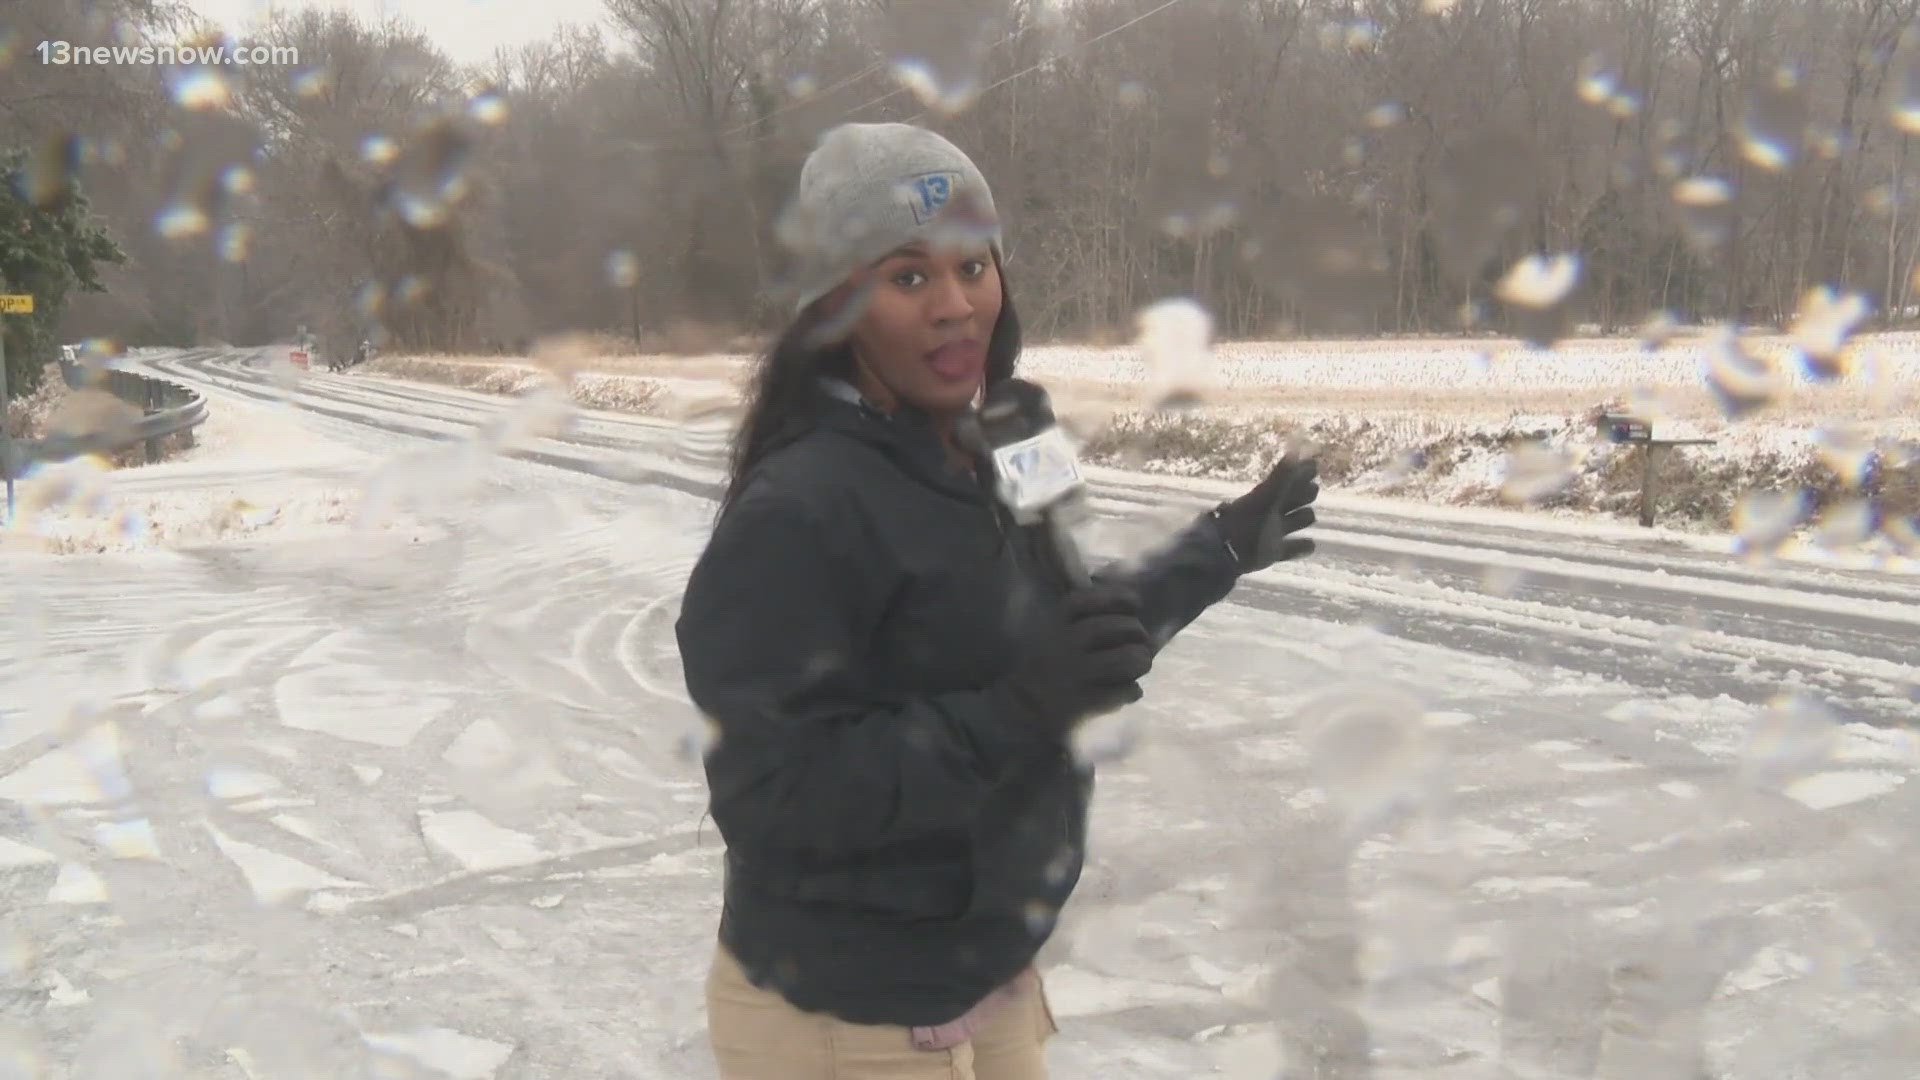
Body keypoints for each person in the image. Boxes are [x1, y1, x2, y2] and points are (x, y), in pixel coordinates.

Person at [675, 122, 1321, 1080]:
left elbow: (1076, 628)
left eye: (974, 268)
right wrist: (1019, 708)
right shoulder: (799, 509)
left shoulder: (1016, 430)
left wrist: (1216, 549)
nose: (954, 306)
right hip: (846, 1017)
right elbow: (776, 798)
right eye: (908, 277)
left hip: (993, 973)